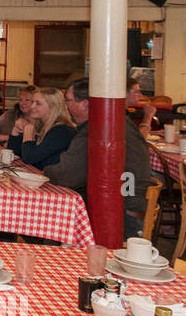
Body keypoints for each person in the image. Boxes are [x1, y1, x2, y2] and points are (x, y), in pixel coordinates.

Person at [43, 78, 152, 240]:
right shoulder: (117, 122)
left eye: (69, 101)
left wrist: (45, 172)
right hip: (131, 206)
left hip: (123, 217)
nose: (67, 107)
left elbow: (66, 175)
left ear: (86, 104)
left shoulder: (97, 129)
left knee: (53, 219)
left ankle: (51, 260)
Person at [7, 87, 77, 169]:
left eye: (38, 103)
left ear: (53, 106)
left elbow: (29, 159)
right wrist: (15, 131)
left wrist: (28, 134)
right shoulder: (40, 125)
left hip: (54, 181)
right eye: (32, 102)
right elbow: (14, 155)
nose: (32, 106)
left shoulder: (62, 130)